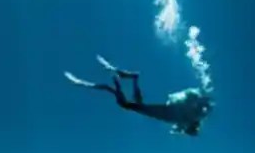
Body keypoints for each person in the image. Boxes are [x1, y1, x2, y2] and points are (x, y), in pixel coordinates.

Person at [65, 55, 213, 136]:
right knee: (130, 105)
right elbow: (179, 124)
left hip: (167, 111)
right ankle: (120, 81)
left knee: (134, 105)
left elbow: (179, 126)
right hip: (167, 112)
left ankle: (123, 80)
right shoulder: (191, 119)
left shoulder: (192, 119)